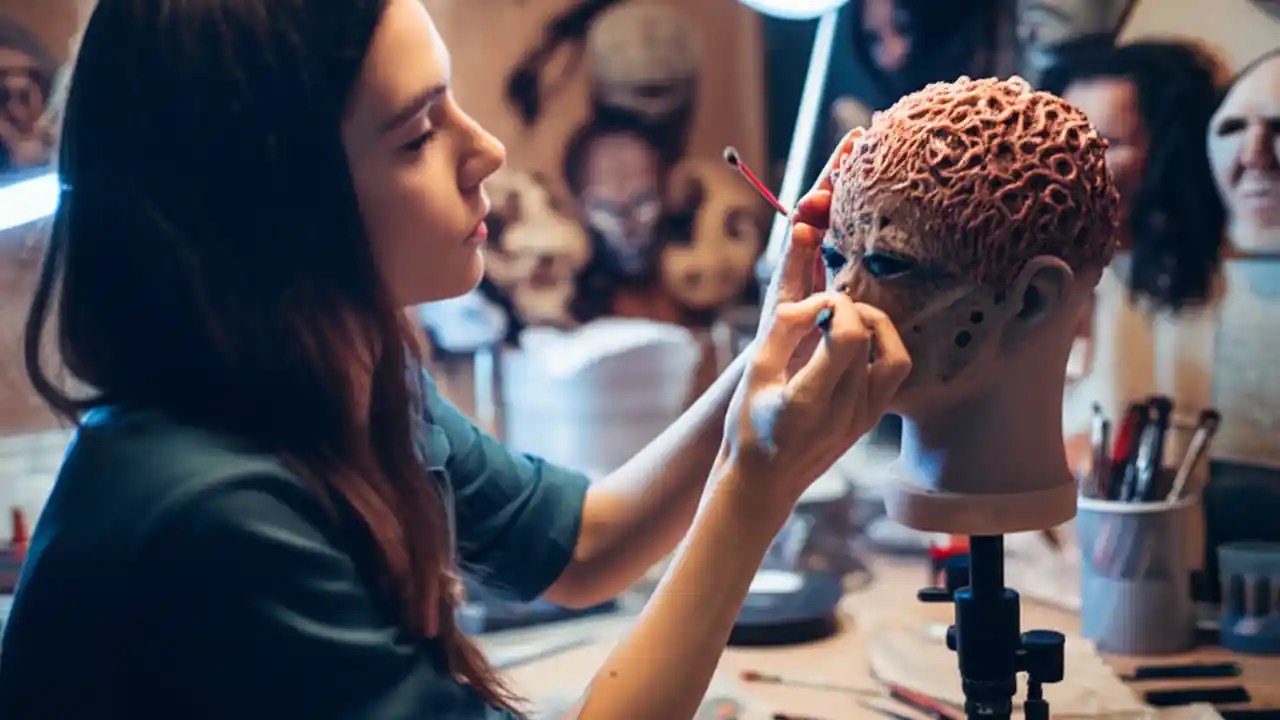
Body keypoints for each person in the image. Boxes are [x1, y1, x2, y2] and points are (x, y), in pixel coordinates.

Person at [0, 2, 911, 719]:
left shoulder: (339, 379)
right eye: (415, 133)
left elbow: (589, 545)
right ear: (269, 212)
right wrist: (756, 485)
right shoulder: (211, 516)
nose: (487, 151)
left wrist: (770, 345)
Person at [1040, 40, 1227, 465]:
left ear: (1167, 154)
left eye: (1107, 142)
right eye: (1064, 142)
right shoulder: (1042, 276)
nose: (1074, 164)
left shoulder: (1218, 283)